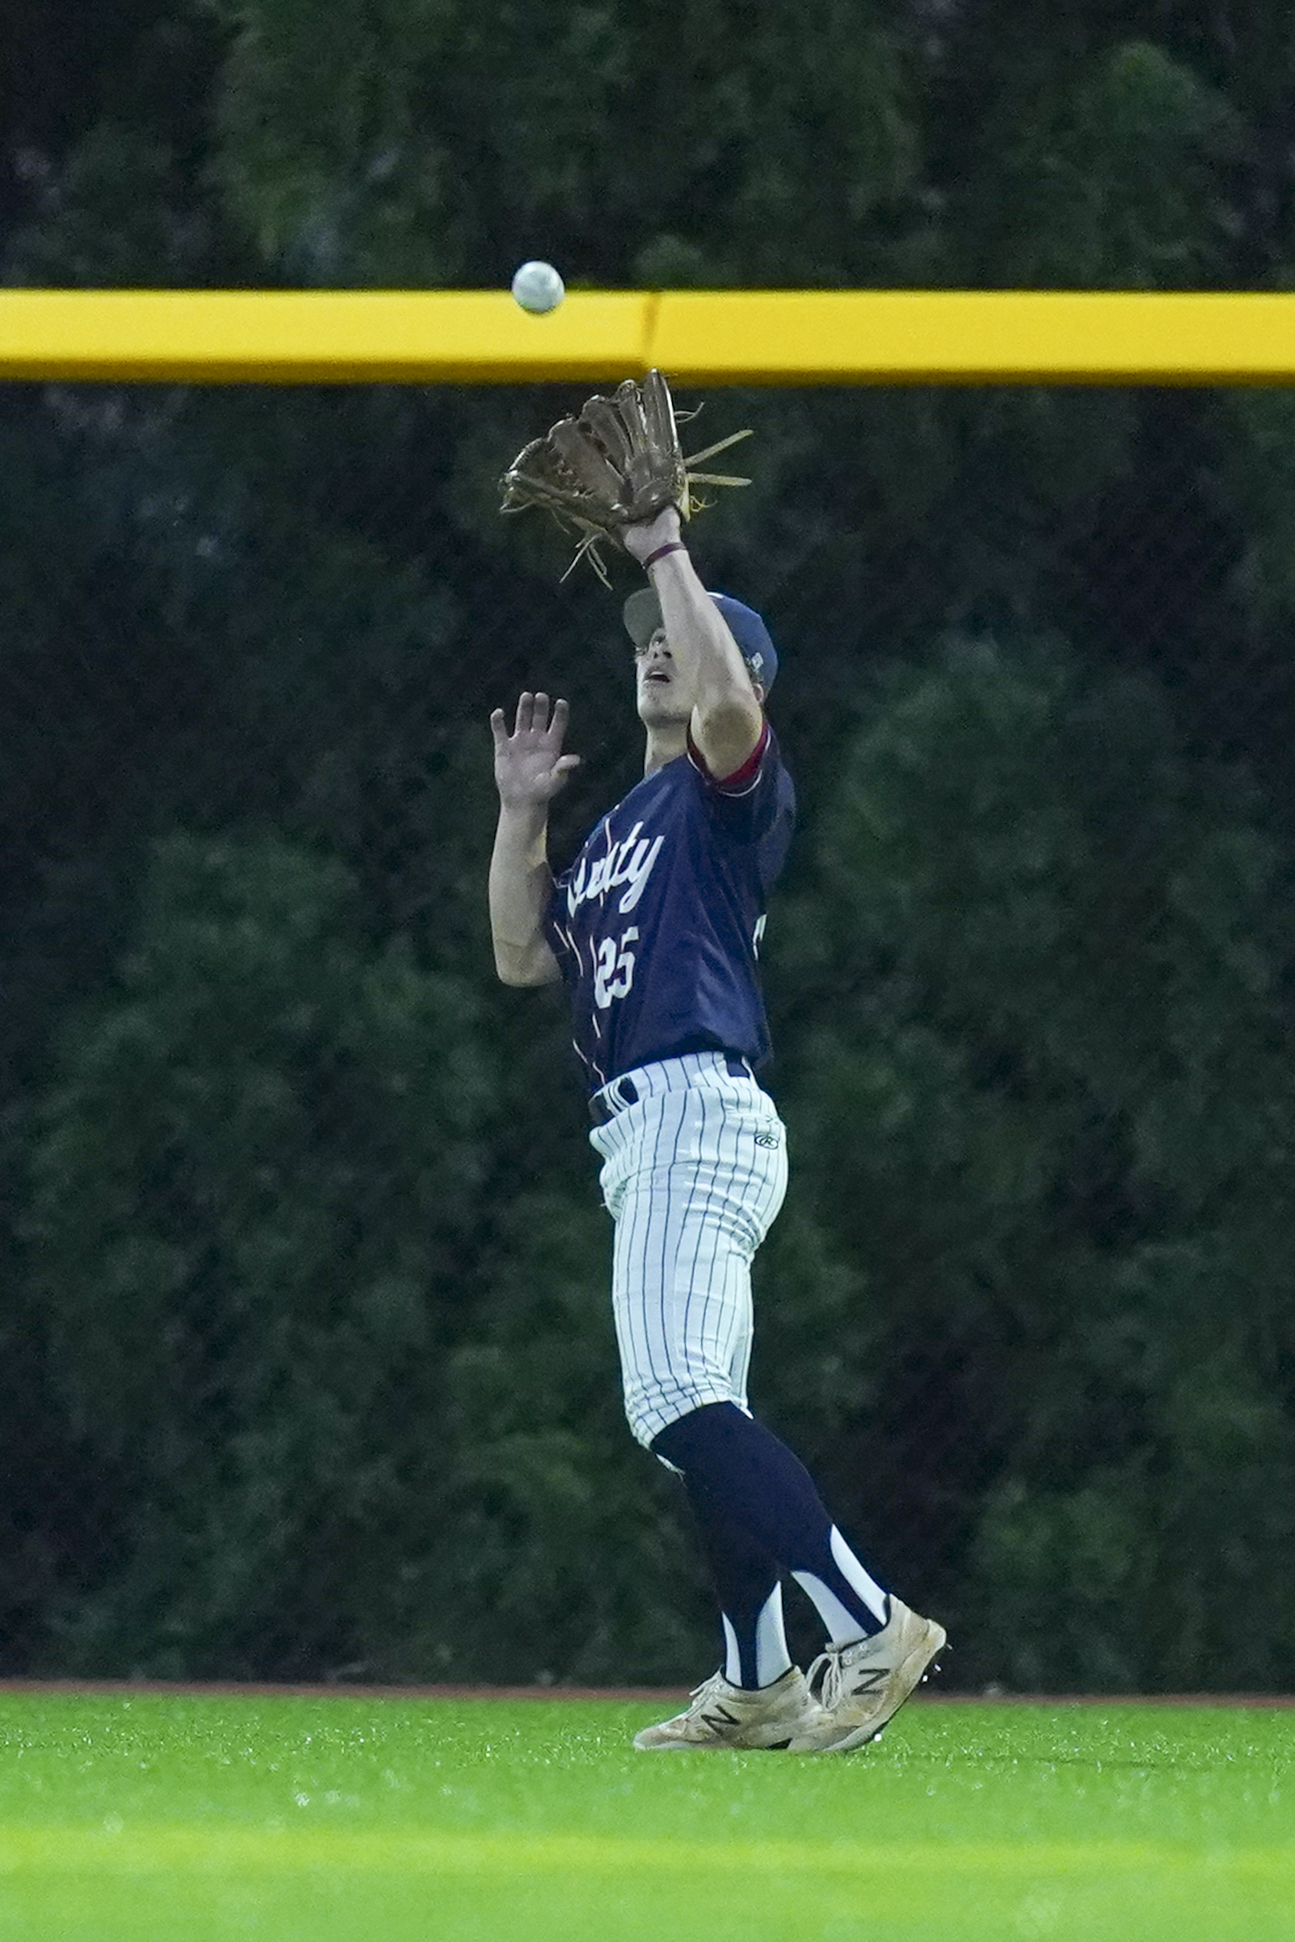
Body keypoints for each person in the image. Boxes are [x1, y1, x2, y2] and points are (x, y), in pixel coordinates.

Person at [488, 501, 946, 1752]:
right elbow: (525, 953)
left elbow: (732, 716)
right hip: (645, 1133)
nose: (655, 648)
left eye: (682, 644)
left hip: (693, 1101)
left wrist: (664, 553)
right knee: (705, 1414)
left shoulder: (720, 796)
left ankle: (867, 1622)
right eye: (644, 639)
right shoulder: (617, 836)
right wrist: (521, 811)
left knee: (677, 1400)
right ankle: (753, 1682)